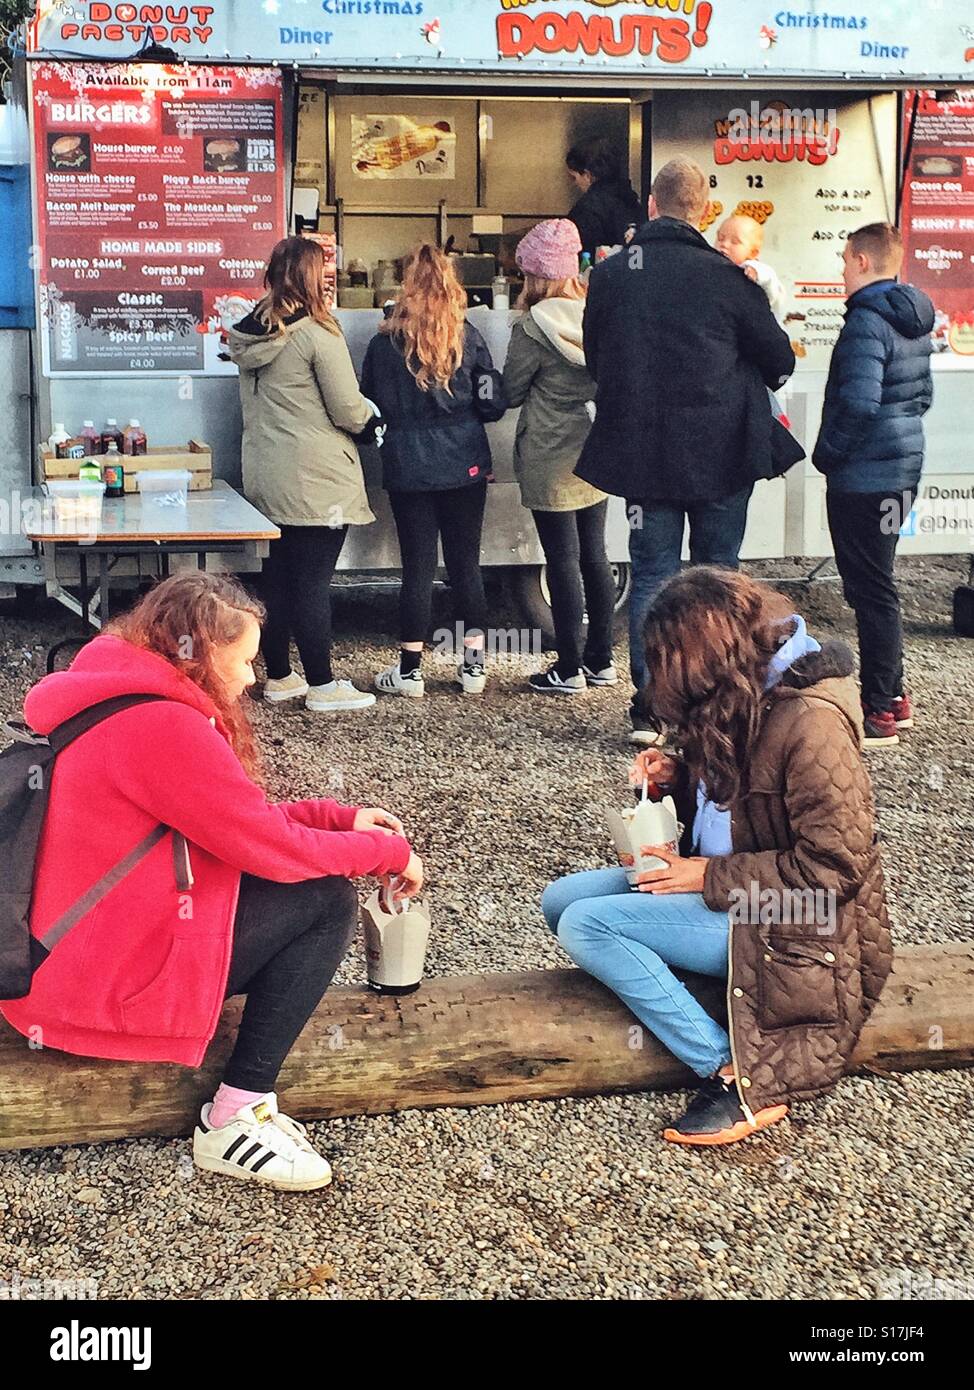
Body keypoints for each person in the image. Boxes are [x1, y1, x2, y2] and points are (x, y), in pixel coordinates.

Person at [0, 573, 422, 1190]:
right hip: (91, 991)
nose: (252, 677)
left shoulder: (116, 695)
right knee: (324, 898)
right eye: (245, 660)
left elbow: (230, 820)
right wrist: (385, 851)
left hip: (59, 961)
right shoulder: (163, 728)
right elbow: (270, 851)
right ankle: (234, 1118)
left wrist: (337, 818)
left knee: (310, 882)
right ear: (196, 651)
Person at [542, 568, 893, 1146]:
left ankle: (729, 1067)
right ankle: (712, 983)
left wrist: (706, 874)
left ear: (709, 658)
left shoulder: (812, 724)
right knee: (560, 900)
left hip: (806, 933)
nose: (661, 683)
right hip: (745, 895)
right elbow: (739, 806)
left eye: (668, 664)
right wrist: (678, 779)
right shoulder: (746, 692)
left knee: (589, 925)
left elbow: (834, 870)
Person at [575, 157, 796, 743]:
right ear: (703, 212)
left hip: (645, 456)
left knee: (653, 575)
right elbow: (781, 358)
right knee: (719, 577)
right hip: (723, 453)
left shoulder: (612, 276)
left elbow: (597, 361)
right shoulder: (727, 278)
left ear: (651, 204)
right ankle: (716, 700)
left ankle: (650, 710)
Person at [228, 236, 381, 714]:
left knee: (276, 578)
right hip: (316, 481)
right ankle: (322, 684)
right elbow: (347, 407)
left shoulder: (252, 330)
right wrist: (373, 422)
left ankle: (279, 676)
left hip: (265, 477)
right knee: (313, 582)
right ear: (313, 279)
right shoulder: (317, 333)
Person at [360, 244, 507, 698]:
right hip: (464, 461)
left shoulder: (384, 343)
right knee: (466, 565)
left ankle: (409, 671)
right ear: (450, 284)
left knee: (417, 568)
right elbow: (492, 403)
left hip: (408, 465)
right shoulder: (469, 335)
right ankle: (474, 669)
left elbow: (368, 407)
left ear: (406, 286)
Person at [812, 222, 934, 748]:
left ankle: (880, 707)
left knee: (871, 591)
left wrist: (829, 453)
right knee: (878, 584)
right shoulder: (913, 317)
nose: (841, 269)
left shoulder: (865, 321)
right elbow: (921, 397)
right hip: (901, 468)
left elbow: (859, 402)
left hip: (863, 475)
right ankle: (896, 695)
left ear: (863, 261)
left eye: (844, 259)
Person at [501, 219, 617, 694]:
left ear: (536, 275)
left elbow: (509, 391)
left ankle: (568, 668)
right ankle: (601, 660)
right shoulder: (598, 316)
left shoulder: (533, 327)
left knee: (562, 559)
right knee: (595, 554)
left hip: (549, 453)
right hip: (593, 448)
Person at [565, 135, 643, 261]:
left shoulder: (586, 209)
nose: (575, 184)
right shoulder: (633, 201)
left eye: (574, 177)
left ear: (588, 175)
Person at [716, 213, 787, 322]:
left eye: (735, 242)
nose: (724, 244)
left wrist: (756, 272)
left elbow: (769, 279)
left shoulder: (754, 269)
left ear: (753, 253)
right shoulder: (714, 265)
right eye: (720, 238)